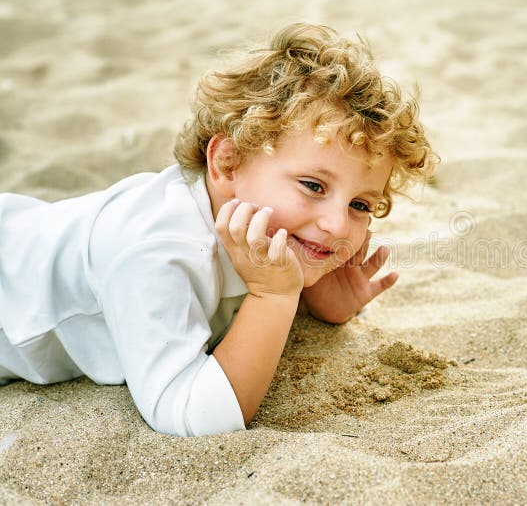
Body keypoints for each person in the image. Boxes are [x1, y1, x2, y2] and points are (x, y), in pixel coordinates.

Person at [0, 23, 436, 437]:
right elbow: (191, 414)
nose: (337, 224)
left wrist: (314, 296)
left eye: (360, 204)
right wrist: (276, 296)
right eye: (312, 186)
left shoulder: (256, 229)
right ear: (227, 163)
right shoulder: (158, 251)